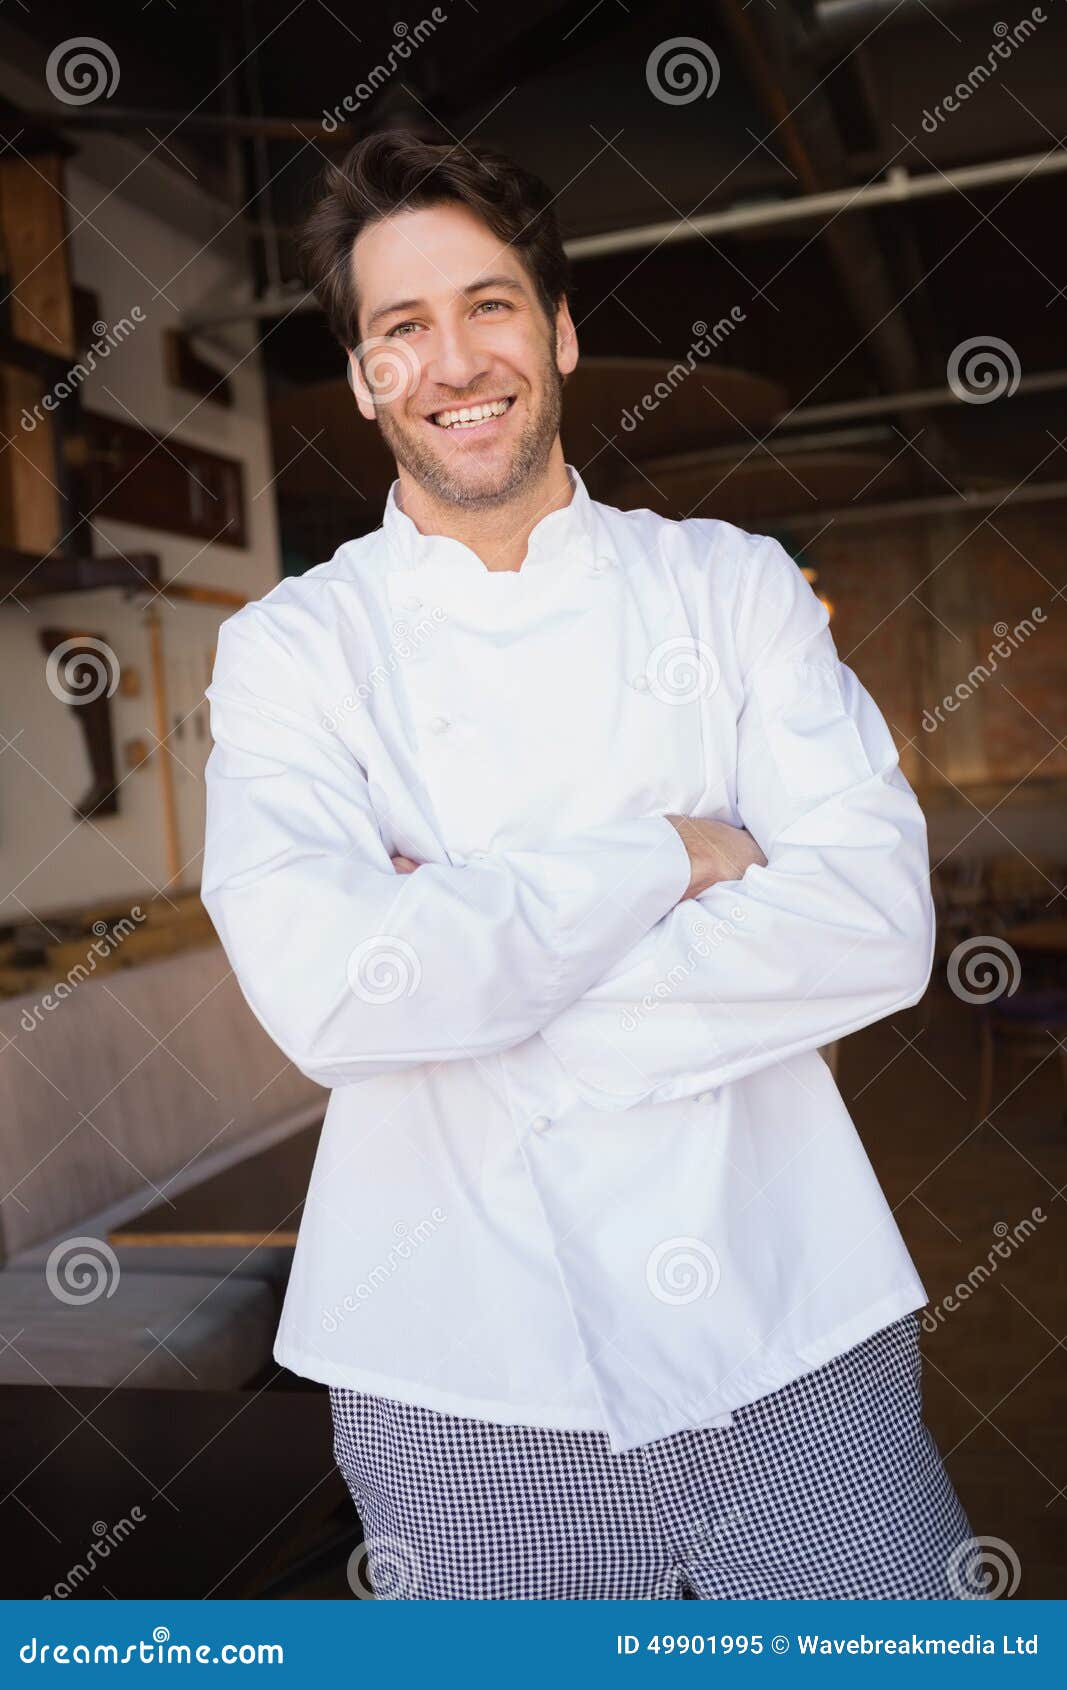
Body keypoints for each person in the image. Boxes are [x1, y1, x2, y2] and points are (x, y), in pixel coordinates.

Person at [201, 130, 980, 1601]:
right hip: (462, 1376)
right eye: (400, 328)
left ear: (558, 332)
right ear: (366, 375)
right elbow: (339, 996)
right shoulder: (291, 653)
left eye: (490, 305)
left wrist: (476, 969)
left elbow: (875, 924)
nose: (454, 360)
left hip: (791, 1327)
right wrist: (672, 853)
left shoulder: (733, 585)